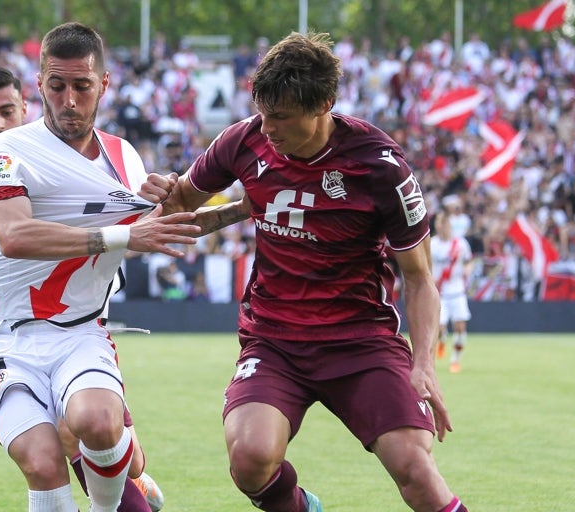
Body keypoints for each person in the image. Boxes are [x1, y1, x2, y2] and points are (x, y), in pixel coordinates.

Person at [163, 32, 468, 512]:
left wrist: (424, 365)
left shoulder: (381, 166)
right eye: (263, 112)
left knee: (415, 468)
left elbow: (419, 277)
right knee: (249, 459)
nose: (267, 128)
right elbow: (182, 199)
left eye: (281, 117)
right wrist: (166, 190)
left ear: (324, 104)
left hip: (359, 340)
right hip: (275, 338)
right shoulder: (243, 140)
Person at [0, 64, 167, 511]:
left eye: (7, 110)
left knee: (121, 453)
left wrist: (163, 200)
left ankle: (128, 479)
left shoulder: (50, 159)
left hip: (68, 321)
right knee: (50, 453)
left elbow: (124, 214)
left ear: (26, 106)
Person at [0, 24, 199, 512]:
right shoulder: (5, 149)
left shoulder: (126, 158)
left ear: (104, 85)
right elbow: (14, 237)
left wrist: (234, 205)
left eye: (82, 86)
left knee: (98, 423)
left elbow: (147, 234)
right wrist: (126, 233)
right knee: (45, 462)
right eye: (57, 86)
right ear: (39, 85)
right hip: (3, 338)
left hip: (80, 331)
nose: (69, 100)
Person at [430, 210, 473, 373]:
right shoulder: (432, 244)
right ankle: (442, 339)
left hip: (457, 290)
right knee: (439, 327)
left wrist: (467, 270)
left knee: (460, 327)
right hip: (439, 292)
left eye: (445, 224)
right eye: (439, 224)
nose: (442, 227)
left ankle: (455, 360)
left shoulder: (460, 244)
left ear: (449, 226)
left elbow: (469, 261)